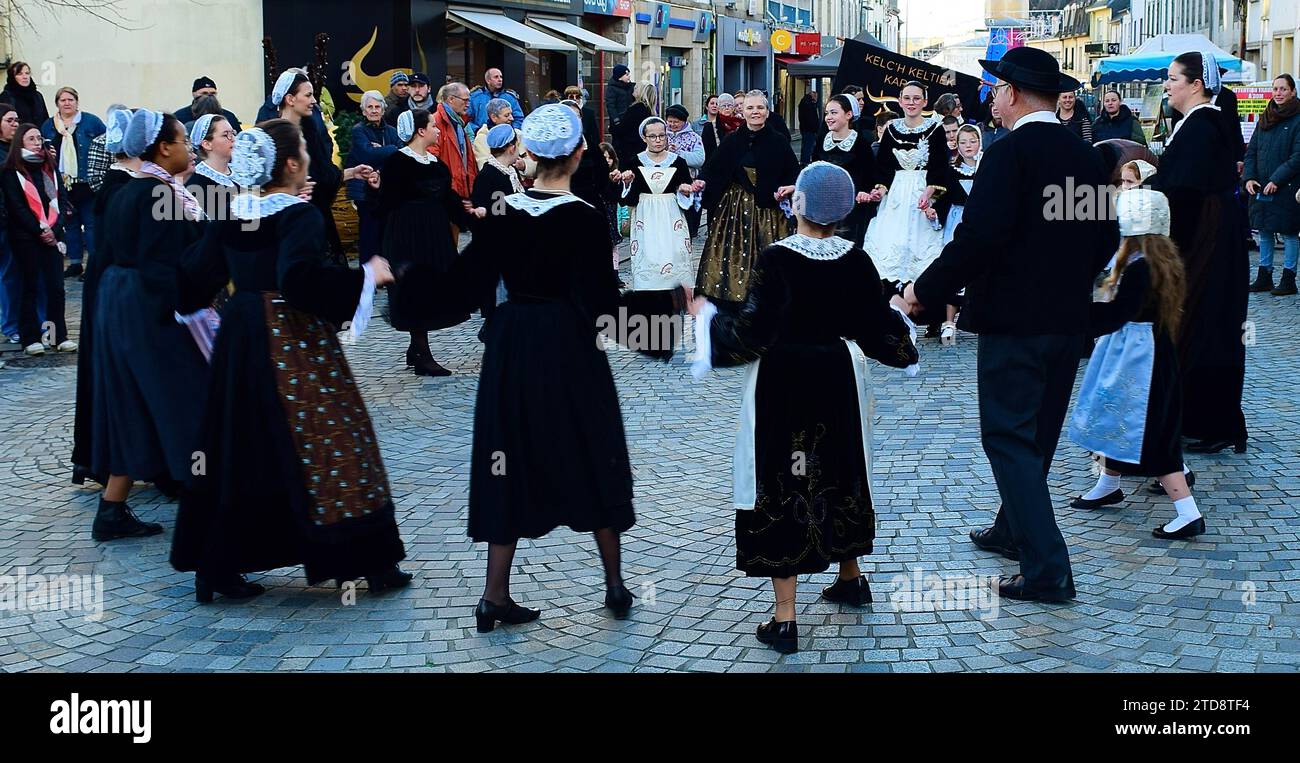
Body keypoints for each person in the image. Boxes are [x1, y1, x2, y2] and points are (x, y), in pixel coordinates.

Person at [408, 104, 689, 631]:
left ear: (531, 155)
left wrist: (407, 287)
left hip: (512, 347)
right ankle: (614, 584)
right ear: (580, 153)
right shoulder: (584, 219)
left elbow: (464, 285)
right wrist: (667, 312)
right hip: (569, 347)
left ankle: (495, 595)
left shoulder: (502, 214)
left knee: (506, 454)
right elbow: (607, 310)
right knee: (592, 449)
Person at [898, 47, 1120, 602]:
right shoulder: (1085, 156)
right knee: (1037, 434)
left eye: (996, 90)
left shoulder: (1009, 154)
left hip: (1016, 322)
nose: (991, 99)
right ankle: (1011, 526)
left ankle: (1047, 569)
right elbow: (1104, 241)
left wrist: (922, 291)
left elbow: (980, 239)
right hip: (1067, 322)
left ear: (1015, 94)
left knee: (1008, 436)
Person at [171, 121, 410, 601]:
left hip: (241, 339)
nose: (308, 157)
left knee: (239, 449)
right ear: (292, 164)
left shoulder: (234, 212)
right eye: (303, 148)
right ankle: (370, 561)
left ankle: (216, 568)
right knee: (338, 438)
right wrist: (366, 277)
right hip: (289, 339)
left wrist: (202, 314)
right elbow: (299, 281)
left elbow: (195, 274)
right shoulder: (298, 217)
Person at [687, 162, 920, 654]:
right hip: (838, 375)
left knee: (784, 480)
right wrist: (904, 344)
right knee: (842, 469)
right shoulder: (856, 260)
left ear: (799, 205)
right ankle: (852, 578)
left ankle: (786, 618)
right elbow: (877, 325)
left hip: (784, 380)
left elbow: (753, 332)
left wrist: (709, 325)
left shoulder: (777, 259)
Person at [89, 109, 209, 542]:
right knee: (188, 403)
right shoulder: (159, 196)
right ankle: (207, 515)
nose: (189, 147)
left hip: (120, 303)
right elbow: (170, 265)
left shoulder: (133, 189)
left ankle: (112, 509)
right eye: (182, 140)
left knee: (135, 404)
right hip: (149, 310)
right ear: (163, 148)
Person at [1067, 189, 1203, 540]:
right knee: (1113, 418)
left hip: (1141, 361)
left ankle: (1187, 512)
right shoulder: (1159, 261)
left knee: (1152, 434)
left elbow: (1119, 313)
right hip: (1139, 353)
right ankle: (1107, 483)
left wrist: (1073, 317)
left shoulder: (1142, 269)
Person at [1151, 51, 1249, 455]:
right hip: (1208, 239)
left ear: (1196, 84)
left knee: (1210, 329)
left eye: (1174, 78)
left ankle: (1214, 423)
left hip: (1207, 244)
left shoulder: (1203, 125)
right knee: (1207, 327)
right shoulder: (1195, 124)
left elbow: (1184, 192)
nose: (1168, 84)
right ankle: (1207, 420)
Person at [381, 109, 482, 377]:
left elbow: (448, 199)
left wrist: (471, 220)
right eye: (432, 126)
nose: (438, 130)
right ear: (420, 131)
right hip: (407, 234)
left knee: (431, 288)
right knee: (415, 289)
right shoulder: (396, 163)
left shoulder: (436, 164)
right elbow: (385, 202)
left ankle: (417, 349)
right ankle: (422, 354)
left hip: (434, 233)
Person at [71, 107, 137, 488]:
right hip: (112, 288)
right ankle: (102, 459)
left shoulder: (124, 182)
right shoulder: (119, 186)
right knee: (107, 374)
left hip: (111, 284)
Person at [694, 90, 798, 309]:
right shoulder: (733, 140)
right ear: (743, 111)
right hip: (735, 208)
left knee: (767, 253)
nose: (755, 112)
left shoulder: (778, 141)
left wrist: (787, 189)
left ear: (767, 111)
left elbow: (792, 172)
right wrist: (702, 183)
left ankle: (767, 297)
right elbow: (714, 168)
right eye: (750, 108)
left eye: (760, 108)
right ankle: (732, 295)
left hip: (768, 209)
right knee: (732, 250)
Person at [862, 81, 949, 297]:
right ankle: (890, 302)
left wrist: (930, 193)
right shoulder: (891, 128)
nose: (911, 103)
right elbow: (883, 167)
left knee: (923, 247)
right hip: (895, 195)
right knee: (888, 243)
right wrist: (880, 191)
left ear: (925, 102)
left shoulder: (935, 129)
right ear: (900, 101)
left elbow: (940, 168)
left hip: (923, 190)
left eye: (916, 98)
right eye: (907, 98)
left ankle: (923, 305)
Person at [1, 122, 74, 356]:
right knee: (29, 287)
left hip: (53, 234)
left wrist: (55, 227)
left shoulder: (48, 167)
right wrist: (39, 229)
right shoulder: (11, 171)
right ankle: (30, 337)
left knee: (55, 288)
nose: (37, 143)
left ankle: (56, 335)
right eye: (31, 139)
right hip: (26, 237)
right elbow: (16, 207)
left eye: (39, 138)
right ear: (20, 142)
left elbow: (61, 200)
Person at [271, 70, 348, 264]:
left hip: (317, 214)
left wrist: (347, 174)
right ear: (290, 99)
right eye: (308, 95)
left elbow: (322, 173)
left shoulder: (311, 129)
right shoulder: (272, 135)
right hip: (287, 220)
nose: (314, 100)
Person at [617, 116, 694, 291]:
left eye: (662, 135)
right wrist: (626, 183)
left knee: (674, 255)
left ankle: (677, 299)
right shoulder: (634, 162)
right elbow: (628, 199)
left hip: (671, 214)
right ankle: (648, 300)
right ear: (644, 138)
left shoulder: (678, 162)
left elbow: (686, 195)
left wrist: (685, 191)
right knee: (648, 256)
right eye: (653, 136)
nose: (658, 140)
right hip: (646, 216)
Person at [1244, 74, 1300, 296]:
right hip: (1260, 185)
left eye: (1283, 89)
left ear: (1292, 92)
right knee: (1264, 231)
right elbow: (1252, 151)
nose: (1278, 93)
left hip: (1286, 186)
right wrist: (1248, 177)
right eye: (1275, 89)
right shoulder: (1265, 117)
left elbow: (1297, 157)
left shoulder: (1297, 118)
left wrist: (1276, 179)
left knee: (1288, 233)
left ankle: (1288, 278)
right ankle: (1264, 275)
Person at [42, 86, 105, 279]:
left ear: (77, 102)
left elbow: (106, 143)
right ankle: (75, 263)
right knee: (70, 225)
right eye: (63, 100)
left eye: (70, 99)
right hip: (62, 183)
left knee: (91, 225)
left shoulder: (91, 122)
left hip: (87, 182)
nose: (67, 103)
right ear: (57, 104)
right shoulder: (48, 126)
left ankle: (93, 264)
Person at [930, 123, 983, 342]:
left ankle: (980, 316)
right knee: (956, 268)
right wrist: (935, 214)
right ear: (956, 145)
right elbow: (944, 200)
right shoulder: (952, 171)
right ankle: (949, 321)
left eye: (972, 141)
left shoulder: (987, 168)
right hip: (957, 222)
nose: (968, 146)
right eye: (963, 142)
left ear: (980, 142)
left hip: (981, 222)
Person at [811, 94, 880, 247]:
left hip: (852, 211)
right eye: (827, 113)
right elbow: (813, 171)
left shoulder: (861, 143)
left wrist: (865, 191)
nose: (828, 117)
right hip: (824, 206)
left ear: (849, 115)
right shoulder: (822, 140)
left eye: (834, 112)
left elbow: (870, 175)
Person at [348, 90, 401, 263]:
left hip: (386, 189)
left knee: (386, 232)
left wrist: (382, 151)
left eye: (377, 106)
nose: (373, 110)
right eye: (369, 107)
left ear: (383, 110)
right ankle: (368, 274)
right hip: (364, 191)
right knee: (369, 233)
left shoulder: (392, 131)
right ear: (363, 111)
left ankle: (385, 271)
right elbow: (367, 156)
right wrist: (390, 150)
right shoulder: (358, 131)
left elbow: (401, 156)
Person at [0, 103, 38, 343]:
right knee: (9, 274)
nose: (15, 124)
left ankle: (28, 323)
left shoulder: (16, 151)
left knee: (21, 275)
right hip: (5, 222)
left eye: (17, 120)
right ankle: (11, 325)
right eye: (9, 120)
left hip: (20, 223)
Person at [431, 82, 477, 206]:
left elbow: (468, 161)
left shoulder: (460, 122)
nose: (468, 104)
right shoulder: (435, 123)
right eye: (465, 100)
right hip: (448, 195)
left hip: (462, 192)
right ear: (451, 99)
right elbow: (432, 162)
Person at [185, 114, 239, 218]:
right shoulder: (196, 181)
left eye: (233, 133)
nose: (232, 139)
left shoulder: (242, 173)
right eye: (225, 135)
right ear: (207, 144)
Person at [665, 104, 705, 237]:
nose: (672, 124)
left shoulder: (694, 137)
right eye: (670, 121)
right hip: (667, 183)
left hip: (689, 183)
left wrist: (679, 153)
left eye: (676, 122)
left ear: (684, 121)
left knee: (688, 219)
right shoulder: (662, 136)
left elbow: (699, 159)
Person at [467, 67, 524, 135]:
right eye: (496, 77)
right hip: (481, 136)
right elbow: (467, 119)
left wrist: (511, 131)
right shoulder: (475, 97)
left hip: (506, 137)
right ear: (488, 80)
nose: (500, 79)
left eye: (501, 77)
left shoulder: (509, 97)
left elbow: (519, 118)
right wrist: (477, 131)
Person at [173, 76, 242, 131]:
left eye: (212, 93)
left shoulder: (229, 116)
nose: (208, 96)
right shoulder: (180, 116)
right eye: (204, 93)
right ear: (194, 94)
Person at [612, 82, 655, 169]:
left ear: (641, 91)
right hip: (641, 150)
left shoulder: (636, 109)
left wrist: (612, 128)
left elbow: (622, 129)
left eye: (636, 88)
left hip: (629, 152)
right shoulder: (649, 110)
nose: (633, 90)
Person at [0, 61, 50, 127]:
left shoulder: (37, 96)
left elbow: (45, 121)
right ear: (12, 77)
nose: (25, 77)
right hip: (17, 136)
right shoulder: (7, 96)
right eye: (20, 74)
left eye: (27, 73)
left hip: (37, 135)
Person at [605, 64, 635, 133]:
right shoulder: (612, 88)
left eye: (629, 74)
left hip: (630, 119)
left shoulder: (631, 86)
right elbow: (610, 106)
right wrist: (616, 119)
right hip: (619, 121)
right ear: (619, 77)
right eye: (626, 75)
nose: (629, 76)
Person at [798, 91, 820, 165]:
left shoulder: (804, 103)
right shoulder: (809, 105)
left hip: (805, 128)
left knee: (806, 145)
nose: (817, 98)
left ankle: (804, 160)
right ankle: (805, 161)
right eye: (816, 96)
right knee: (808, 145)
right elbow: (812, 118)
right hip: (809, 129)